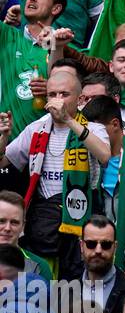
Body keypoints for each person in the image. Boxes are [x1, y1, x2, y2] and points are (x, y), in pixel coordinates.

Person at [1, 65, 112, 277]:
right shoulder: (37, 128)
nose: (57, 99)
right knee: (44, 282)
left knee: (75, 288)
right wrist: (3, 138)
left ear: (80, 100)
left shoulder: (92, 128)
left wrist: (68, 120)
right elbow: (4, 161)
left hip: (82, 220)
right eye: (52, 94)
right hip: (44, 222)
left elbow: (105, 155)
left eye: (64, 94)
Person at [77, 216, 125, 313]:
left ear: (115, 247)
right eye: (91, 244)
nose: (98, 250)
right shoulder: (66, 292)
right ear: (81, 246)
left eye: (106, 245)